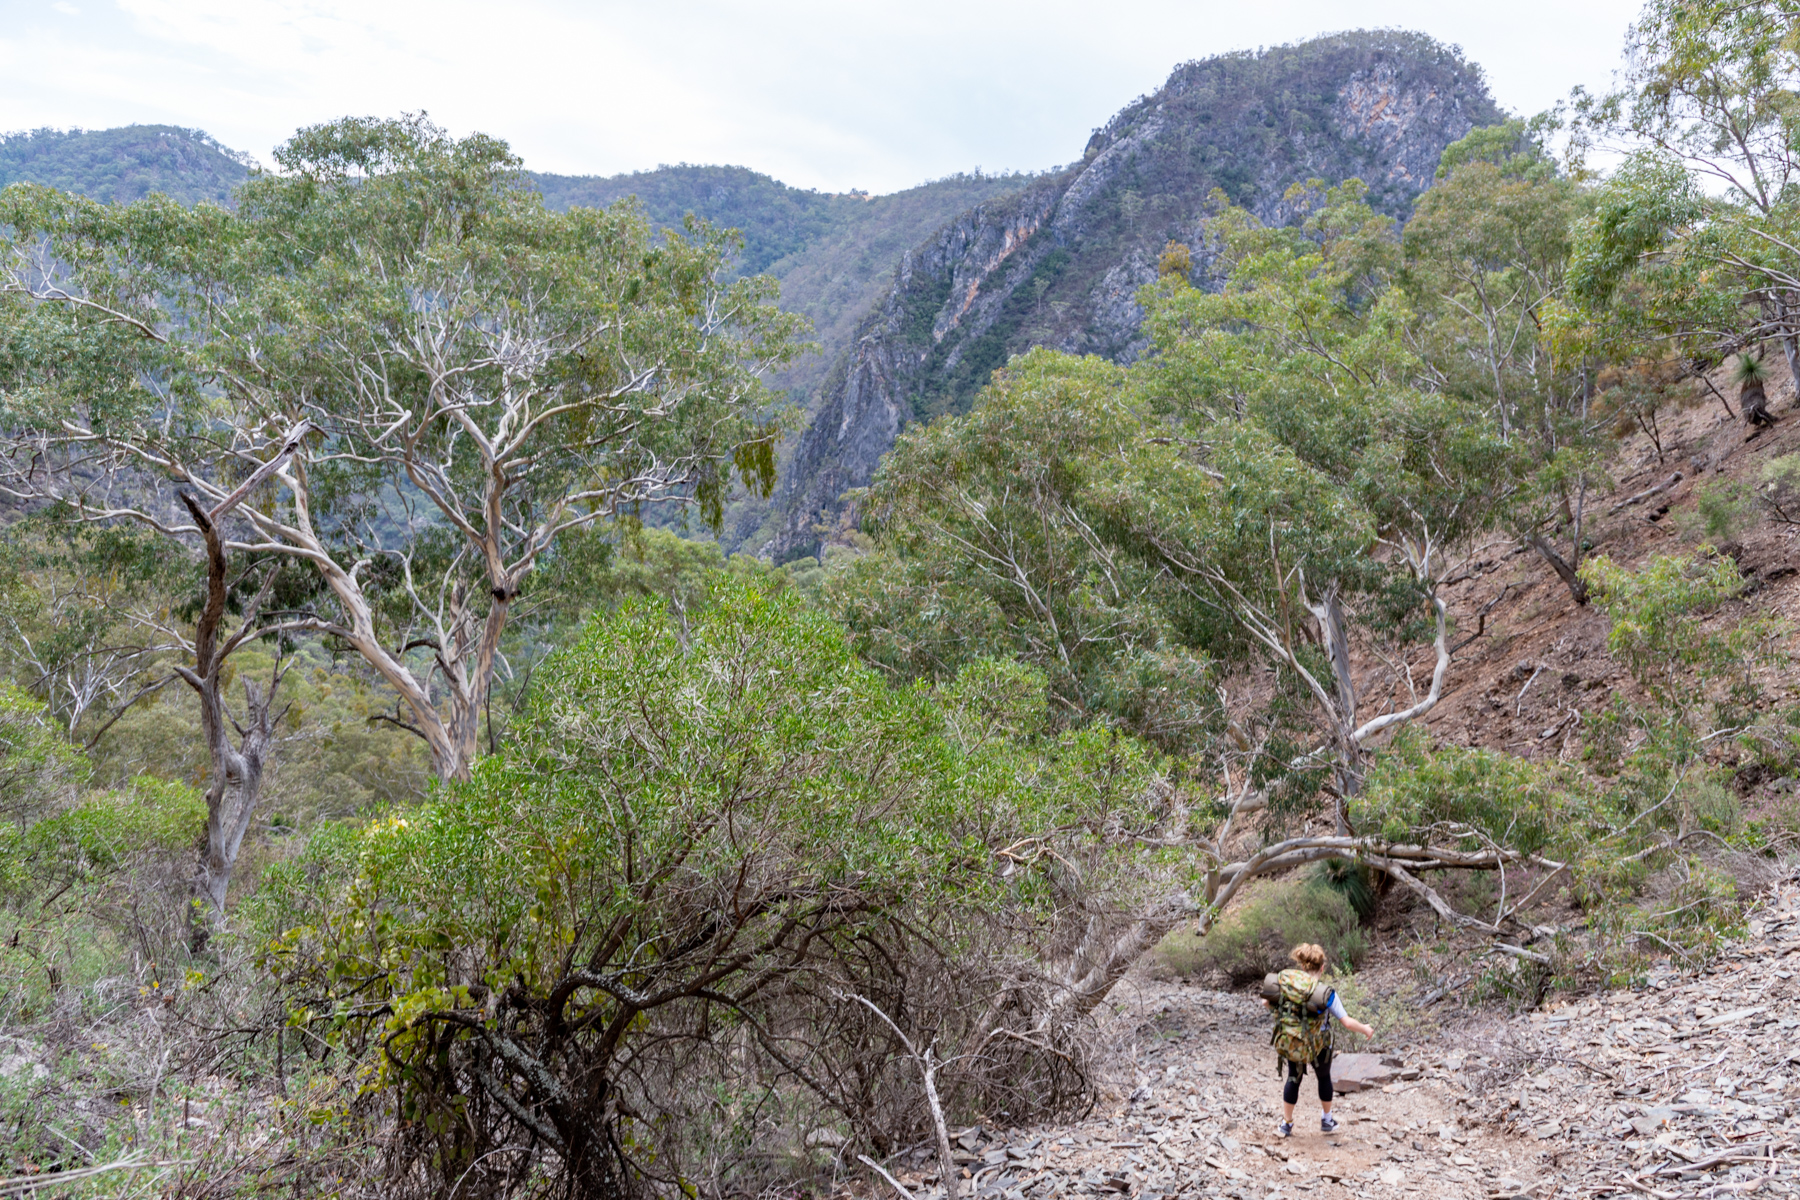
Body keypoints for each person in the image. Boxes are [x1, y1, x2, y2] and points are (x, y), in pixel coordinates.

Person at [1263, 942, 1373, 1137]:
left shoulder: (1290, 986)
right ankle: (1327, 1120)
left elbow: (1266, 1001)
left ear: (1303, 966)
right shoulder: (1325, 993)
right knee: (1323, 1078)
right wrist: (1365, 1029)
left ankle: (1286, 1124)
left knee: (1293, 1079)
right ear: (1322, 968)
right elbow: (1346, 1022)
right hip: (1320, 1044)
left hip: (1294, 1040)